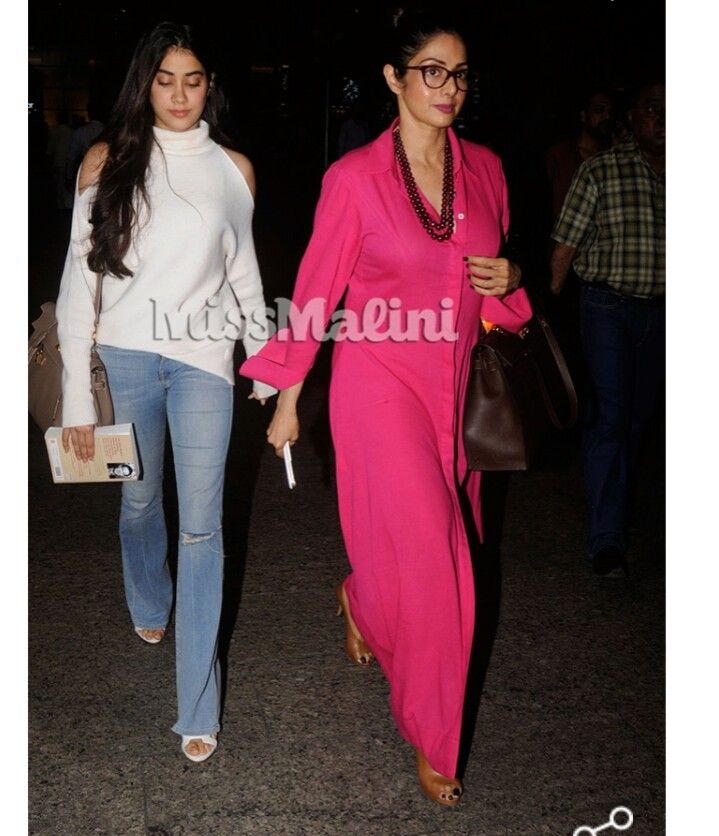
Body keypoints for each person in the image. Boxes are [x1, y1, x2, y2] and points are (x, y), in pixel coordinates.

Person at [241, 13, 531, 805]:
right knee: (443, 567)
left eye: (460, 73)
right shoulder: (357, 178)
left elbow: (501, 301)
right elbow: (315, 290)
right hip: (378, 387)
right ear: (394, 79)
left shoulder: (487, 172)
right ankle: (434, 734)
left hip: (460, 394)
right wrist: (287, 398)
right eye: (431, 71)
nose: (448, 87)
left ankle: (360, 599)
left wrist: (510, 282)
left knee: (438, 546)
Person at [55, 21, 276, 762]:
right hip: (123, 355)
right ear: (143, 84)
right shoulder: (106, 160)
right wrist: (78, 404)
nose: (180, 94)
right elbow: (78, 285)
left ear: (210, 84)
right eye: (165, 79)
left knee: (203, 528)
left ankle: (196, 707)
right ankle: (148, 594)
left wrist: (266, 358)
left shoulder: (233, 169)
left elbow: (243, 272)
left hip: (204, 363)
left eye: (194, 79)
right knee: (141, 498)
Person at [549, 79, 665, 577]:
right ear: (632, 118)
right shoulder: (600, 171)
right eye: (652, 108)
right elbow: (566, 246)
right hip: (608, 310)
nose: (662, 119)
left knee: (639, 420)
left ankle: (618, 505)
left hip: (666, 315)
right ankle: (606, 540)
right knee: (612, 418)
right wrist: (547, 310)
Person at [545, 87, 616, 223]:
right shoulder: (559, 155)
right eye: (599, 110)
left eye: (610, 112)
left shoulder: (615, 157)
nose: (606, 117)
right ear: (584, 115)